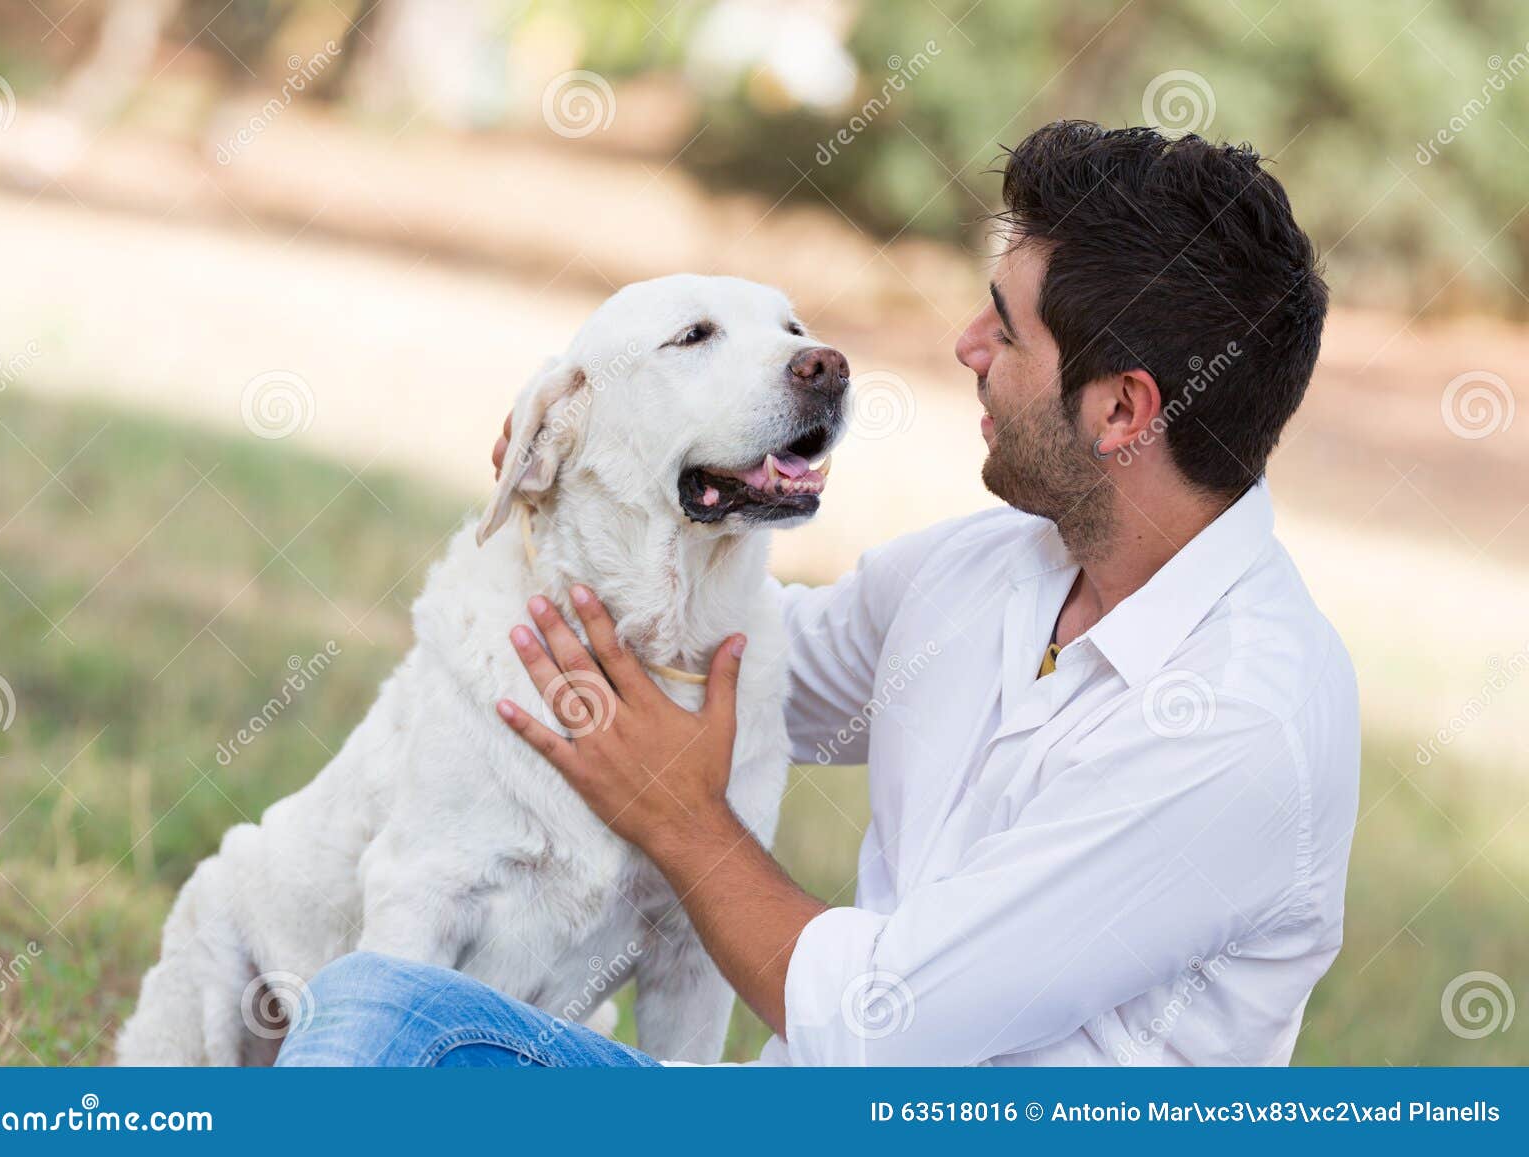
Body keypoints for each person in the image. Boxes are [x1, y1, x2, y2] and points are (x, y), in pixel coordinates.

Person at [277, 120, 1356, 1068]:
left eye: (1006, 328)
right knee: (388, 1006)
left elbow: (879, 1019)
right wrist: (592, 478)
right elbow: (737, 667)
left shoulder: (1234, 728)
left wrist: (687, 822)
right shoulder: (990, 569)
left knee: (391, 1031)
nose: (964, 347)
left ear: (1122, 411)